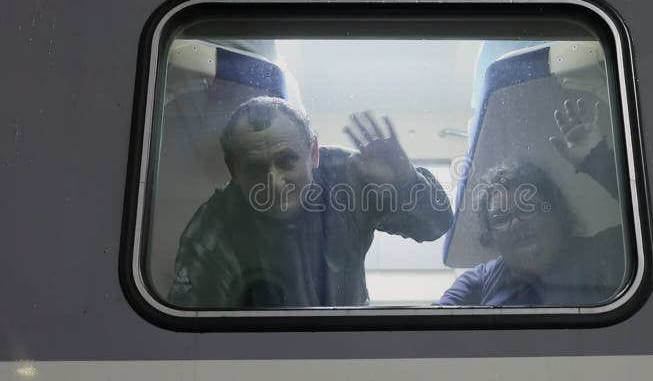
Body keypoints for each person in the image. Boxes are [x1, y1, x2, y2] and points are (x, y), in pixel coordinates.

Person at [168, 96, 453, 308]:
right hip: (260, 356)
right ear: (233, 170)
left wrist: (406, 182)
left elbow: (436, 227)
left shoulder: (349, 178)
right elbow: (193, 338)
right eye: (255, 168)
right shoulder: (213, 229)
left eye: (287, 161)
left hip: (350, 342)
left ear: (314, 153)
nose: (274, 183)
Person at [438, 98, 624, 306]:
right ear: (491, 236)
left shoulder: (604, 253)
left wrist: (600, 161)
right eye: (501, 219)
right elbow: (436, 320)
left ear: (557, 213)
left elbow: (652, 220)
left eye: (527, 208)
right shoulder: (480, 281)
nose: (516, 223)